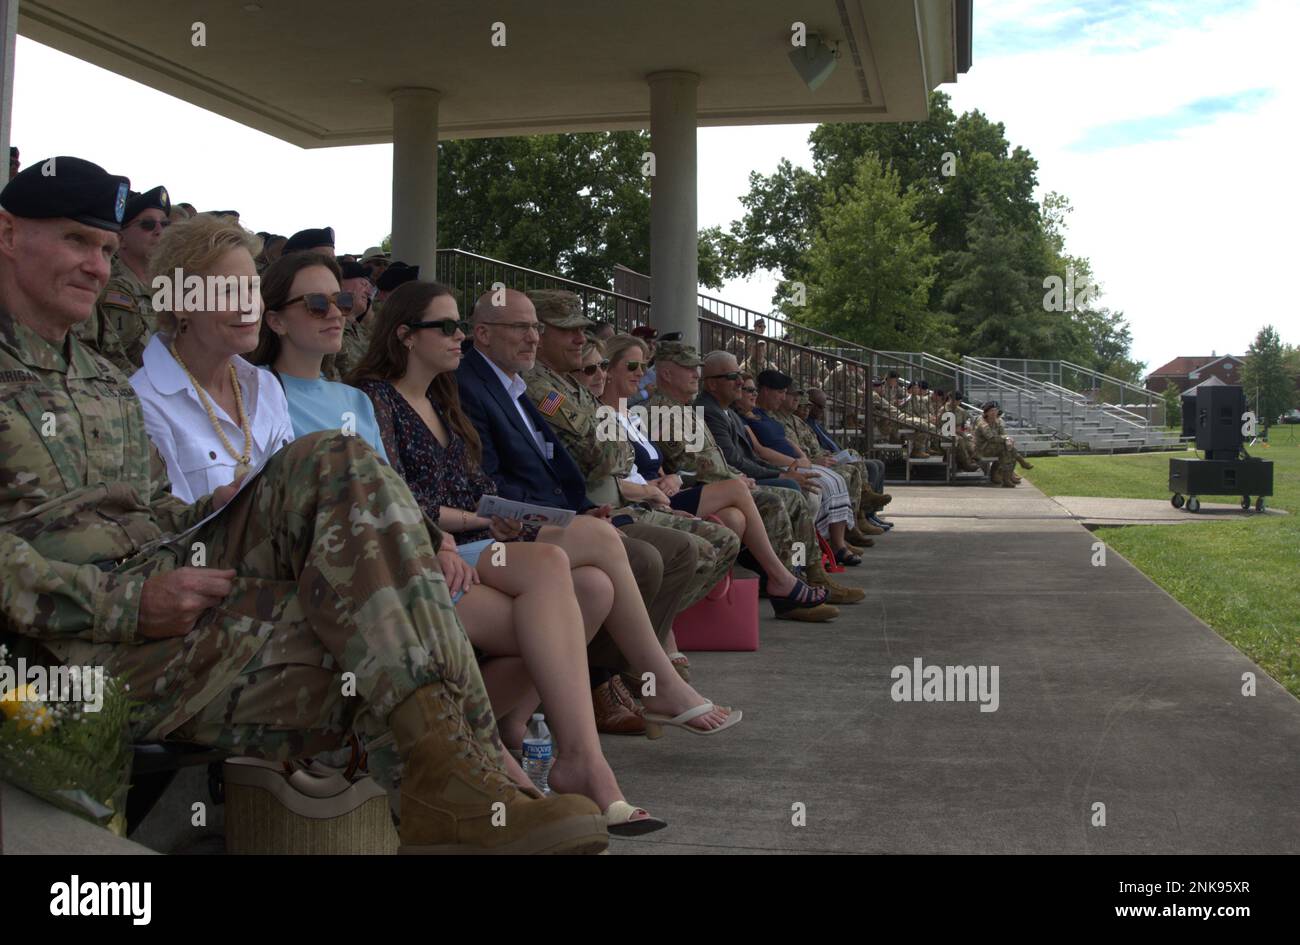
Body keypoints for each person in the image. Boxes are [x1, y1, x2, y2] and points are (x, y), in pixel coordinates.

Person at [0, 156, 607, 854]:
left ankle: (460, 786)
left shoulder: (99, 379)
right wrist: (129, 605)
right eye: (77, 241)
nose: (99, 266)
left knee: (334, 458)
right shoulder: (128, 381)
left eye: (107, 249)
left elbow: (143, 513)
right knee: (366, 638)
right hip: (68, 644)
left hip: (159, 585)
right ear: (9, 234)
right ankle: (468, 789)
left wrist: (223, 507)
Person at [344, 281, 664, 834]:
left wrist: (497, 514)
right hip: (419, 552)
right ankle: (585, 760)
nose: (459, 338)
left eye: (460, 327)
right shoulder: (376, 398)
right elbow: (395, 496)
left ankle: (506, 729)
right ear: (404, 335)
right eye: (446, 327)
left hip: (474, 538)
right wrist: (476, 521)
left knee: (595, 588)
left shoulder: (445, 397)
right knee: (559, 566)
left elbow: (475, 483)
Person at [457, 288, 743, 735]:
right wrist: (572, 513)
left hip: (570, 510)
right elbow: (501, 476)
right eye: (523, 327)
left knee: (605, 578)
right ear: (481, 333)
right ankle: (638, 680)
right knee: (638, 554)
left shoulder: (513, 382)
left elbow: (579, 458)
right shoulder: (480, 383)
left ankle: (519, 717)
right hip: (500, 527)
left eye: (535, 327)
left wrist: (584, 508)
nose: (533, 337)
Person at [603, 335, 837, 616]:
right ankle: (787, 581)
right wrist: (732, 479)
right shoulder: (657, 412)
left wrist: (735, 476)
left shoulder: (684, 410)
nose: (696, 374)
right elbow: (688, 467)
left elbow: (710, 461)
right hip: (683, 491)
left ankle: (803, 574)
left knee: (787, 497)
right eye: (689, 368)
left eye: (697, 368)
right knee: (780, 499)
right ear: (666, 372)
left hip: (698, 487)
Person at [129, 214, 295, 504]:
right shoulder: (142, 402)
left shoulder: (267, 386)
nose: (249, 306)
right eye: (228, 290)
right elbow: (167, 532)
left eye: (253, 288)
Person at [246, 251, 388, 462]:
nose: (336, 313)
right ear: (276, 321)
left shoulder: (358, 401)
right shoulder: (251, 392)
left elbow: (389, 491)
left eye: (341, 301)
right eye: (317, 304)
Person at [743, 371, 860, 566]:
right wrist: (792, 464)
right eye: (747, 390)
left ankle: (828, 550)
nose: (750, 394)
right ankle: (802, 563)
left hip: (790, 464)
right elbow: (759, 452)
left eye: (751, 389)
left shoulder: (761, 416)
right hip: (772, 468)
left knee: (835, 480)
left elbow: (784, 440)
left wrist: (802, 458)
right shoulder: (734, 417)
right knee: (809, 492)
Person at [76, 185, 170, 374]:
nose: (159, 231)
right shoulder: (115, 289)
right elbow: (121, 361)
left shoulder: (165, 286)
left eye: (165, 224)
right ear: (121, 239)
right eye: (148, 225)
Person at [332, 258, 375, 380]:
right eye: (363, 284)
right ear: (340, 284)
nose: (369, 292)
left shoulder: (362, 330)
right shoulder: (331, 330)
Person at [974, 402, 1033, 487]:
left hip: (993, 448)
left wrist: (1008, 440)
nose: (994, 413)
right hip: (981, 450)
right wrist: (1006, 439)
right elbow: (991, 438)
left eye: (995, 410)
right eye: (991, 411)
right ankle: (1020, 463)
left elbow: (1004, 434)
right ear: (986, 413)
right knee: (1006, 449)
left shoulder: (997, 422)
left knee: (1008, 450)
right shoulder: (983, 423)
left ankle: (1006, 478)